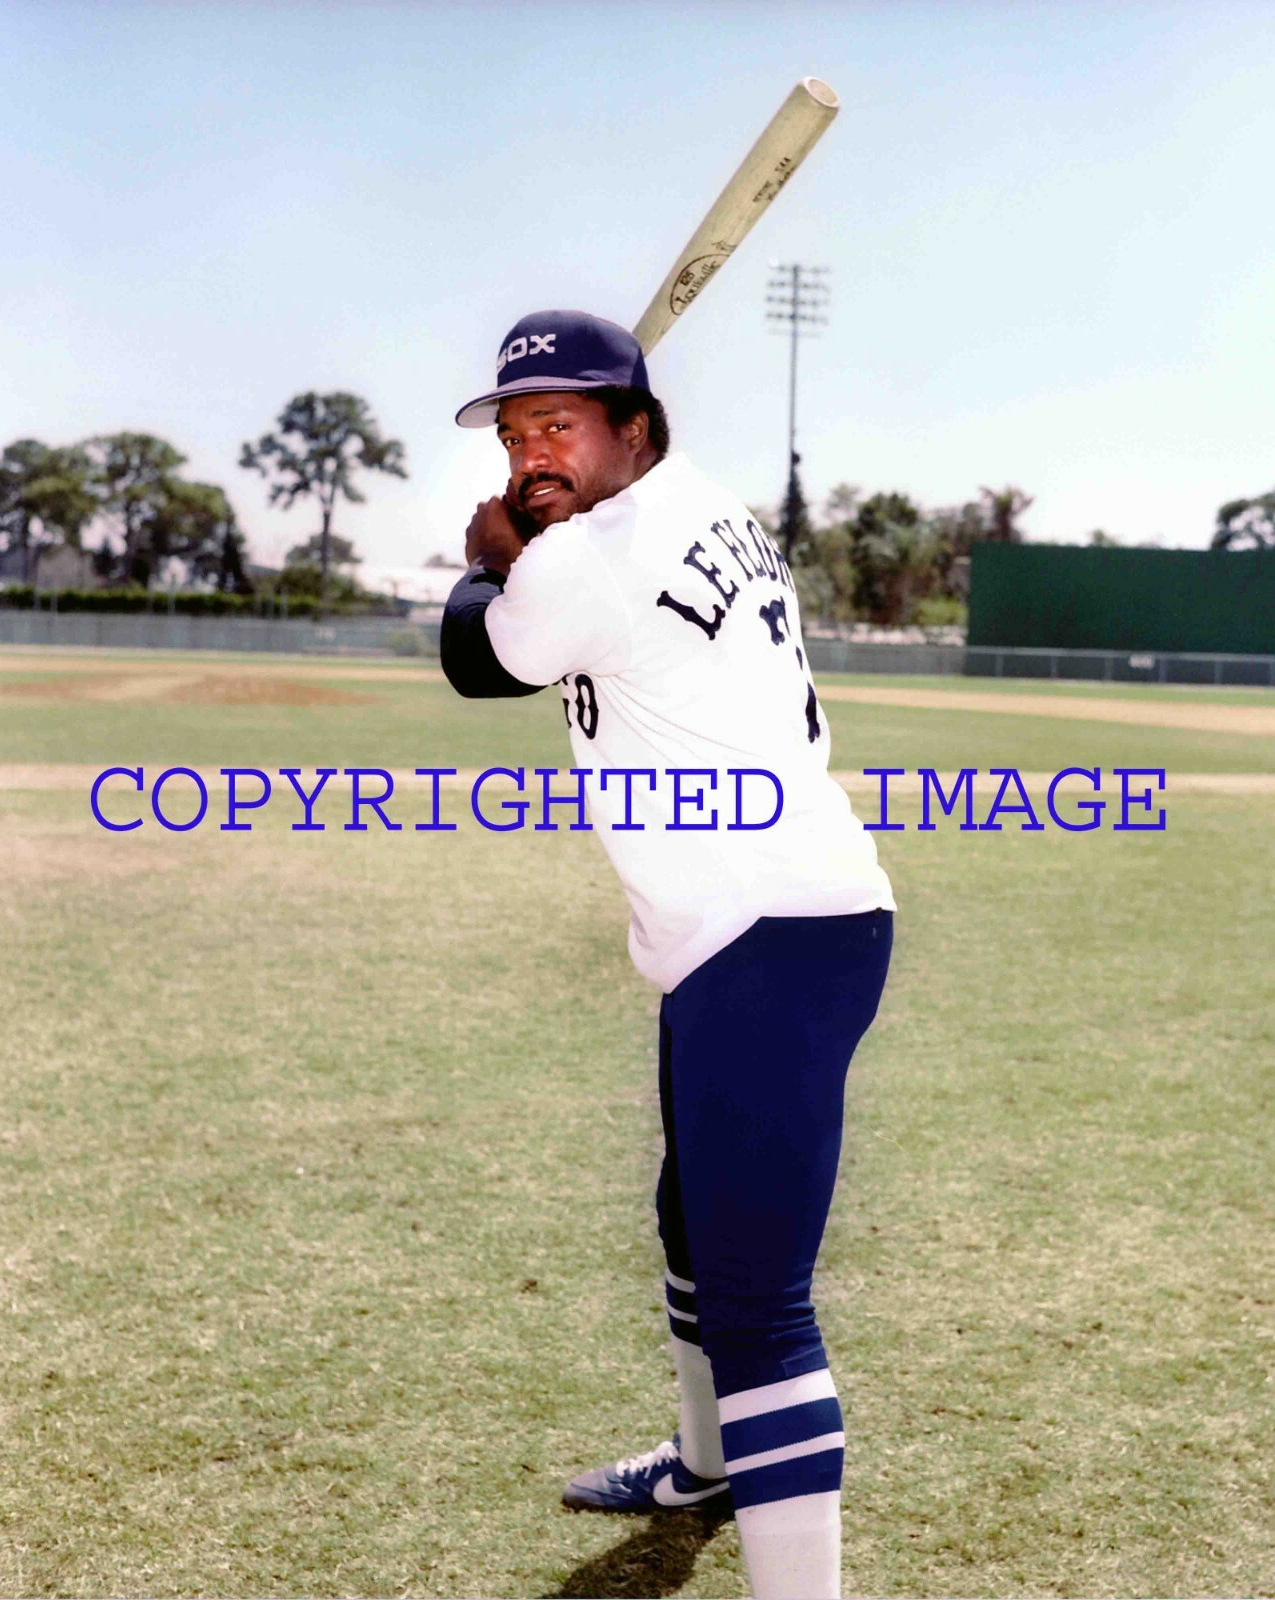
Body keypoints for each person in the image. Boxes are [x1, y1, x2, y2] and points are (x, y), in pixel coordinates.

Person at [440, 309, 895, 1600]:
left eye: (562, 427)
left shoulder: (590, 557)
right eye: (519, 434)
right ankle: (702, 1467)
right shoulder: (706, 510)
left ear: (637, 430)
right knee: (687, 1220)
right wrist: (540, 537)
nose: (533, 455)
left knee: (761, 1309)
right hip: (751, 933)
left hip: (768, 940)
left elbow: (474, 654)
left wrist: (493, 555)